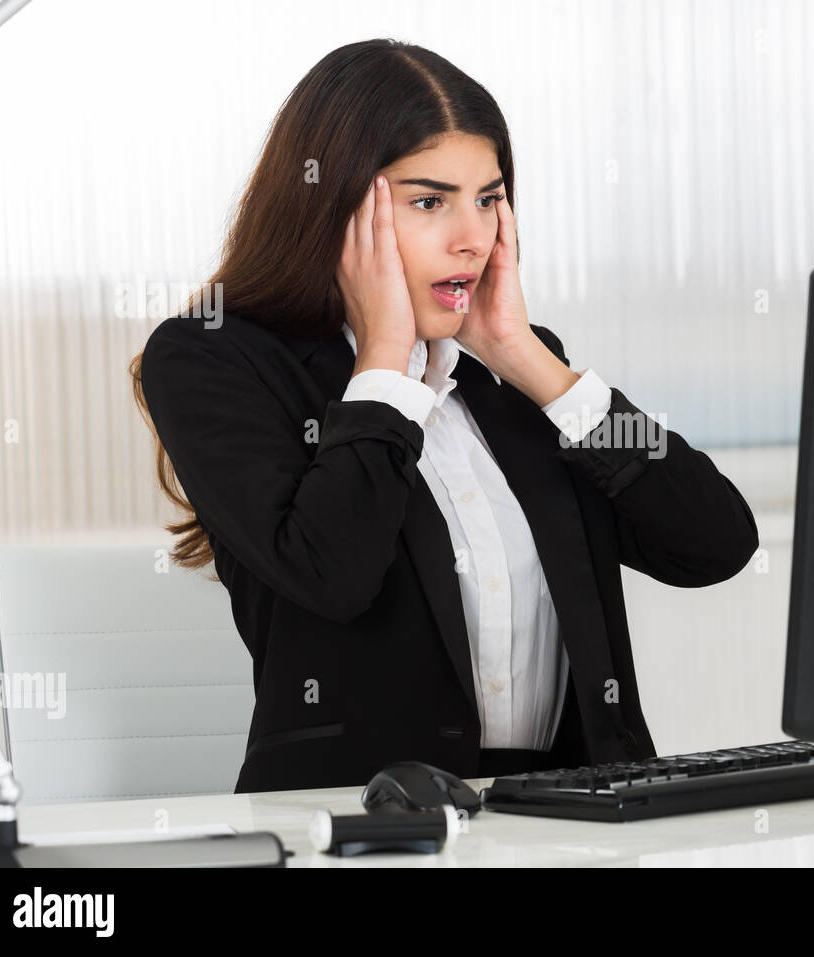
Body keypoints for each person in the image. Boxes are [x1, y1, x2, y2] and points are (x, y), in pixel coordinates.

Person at [128, 38, 758, 792]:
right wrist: (386, 360)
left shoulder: (516, 374)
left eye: (489, 199)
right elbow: (332, 573)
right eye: (430, 201)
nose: (473, 236)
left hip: (571, 818)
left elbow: (715, 543)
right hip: (361, 819)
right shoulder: (215, 360)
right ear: (333, 209)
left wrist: (533, 363)